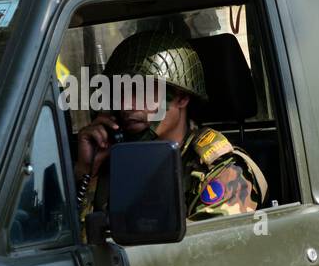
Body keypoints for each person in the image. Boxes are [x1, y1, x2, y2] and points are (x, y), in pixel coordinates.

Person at [73, 31, 266, 223]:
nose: (126, 105)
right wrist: (87, 171)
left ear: (181, 97)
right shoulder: (112, 161)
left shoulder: (223, 171)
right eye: (120, 93)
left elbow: (199, 249)